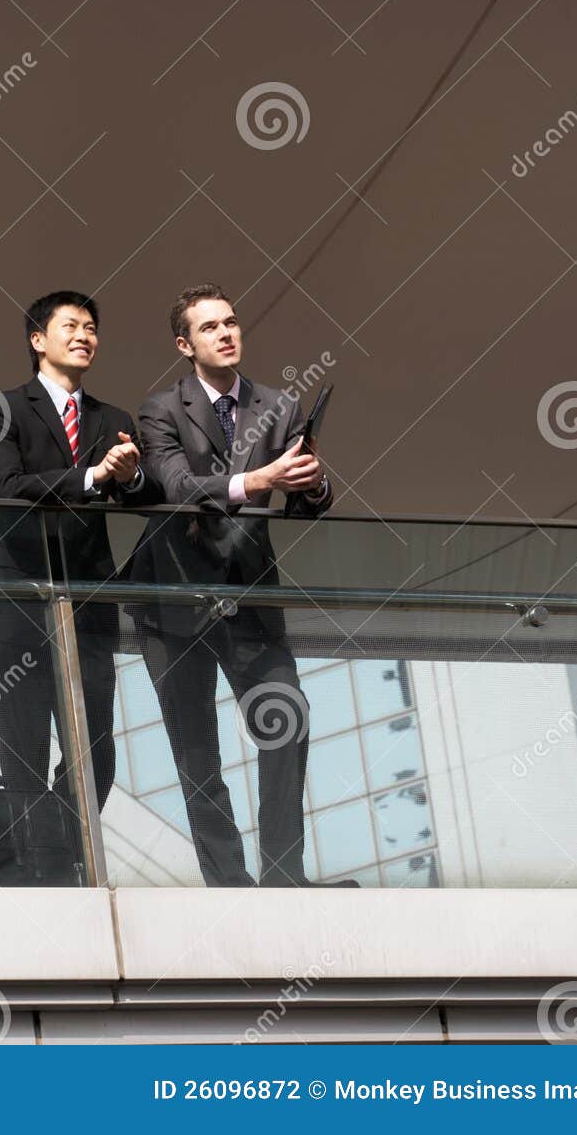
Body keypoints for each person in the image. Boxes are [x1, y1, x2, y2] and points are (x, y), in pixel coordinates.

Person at [127, 283, 355, 888]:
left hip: (250, 595)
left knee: (290, 720)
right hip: (172, 600)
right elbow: (178, 490)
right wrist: (261, 477)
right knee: (197, 750)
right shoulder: (160, 410)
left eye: (231, 323)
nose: (226, 333)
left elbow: (305, 508)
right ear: (185, 343)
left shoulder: (277, 405)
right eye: (209, 327)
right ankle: (229, 885)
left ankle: (284, 874)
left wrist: (311, 482)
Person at [0, 290, 156, 816]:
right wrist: (92, 475)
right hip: (14, 601)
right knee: (23, 753)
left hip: (87, 603)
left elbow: (142, 499)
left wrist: (130, 473)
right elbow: (8, 487)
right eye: (70, 325)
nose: (84, 336)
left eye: (91, 328)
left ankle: (72, 855)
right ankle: (40, 873)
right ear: (37, 340)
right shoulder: (0, 407)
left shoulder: (111, 416)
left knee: (95, 753)